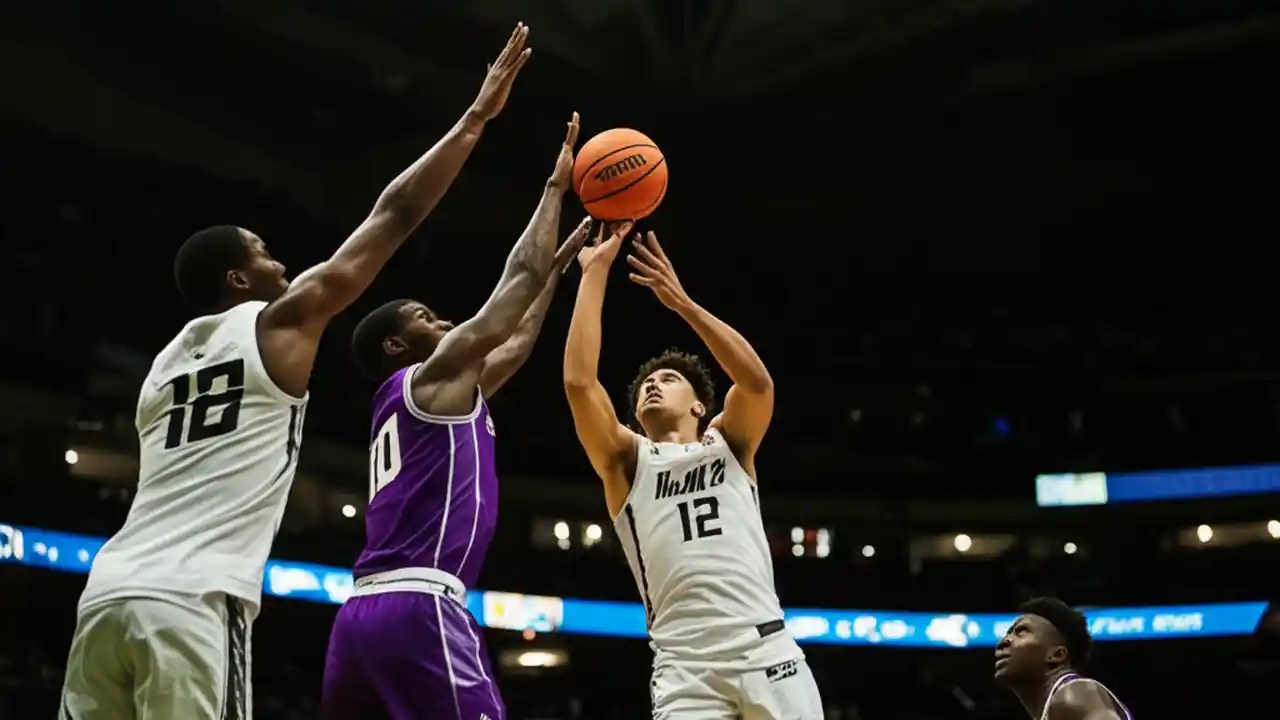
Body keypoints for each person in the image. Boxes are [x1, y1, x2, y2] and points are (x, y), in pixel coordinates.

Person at [58, 23, 534, 720]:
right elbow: (395, 213)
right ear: (237, 278)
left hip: (104, 597)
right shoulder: (277, 326)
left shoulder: (159, 367)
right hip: (193, 600)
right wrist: (474, 118)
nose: (281, 264)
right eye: (263, 253)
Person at [319, 111, 588, 720]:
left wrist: (557, 267)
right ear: (395, 344)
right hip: (419, 605)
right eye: (422, 315)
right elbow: (510, 292)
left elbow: (514, 343)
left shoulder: (415, 401)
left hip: (359, 616)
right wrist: (554, 191)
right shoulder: (432, 377)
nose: (440, 321)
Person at [561, 226, 825, 719]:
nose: (653, 386)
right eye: (644, 385)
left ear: (701, 405)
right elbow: (579, 382)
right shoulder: (626, 460)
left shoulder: (730, 443)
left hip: (765, 647)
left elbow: (757, 383)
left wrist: (682, 303)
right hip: (684, 664)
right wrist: (594, 273)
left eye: (669, 379)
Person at [995, 597, 1133, 720]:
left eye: (1022, 632)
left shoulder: (1074, 692)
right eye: (1008, 633)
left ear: (1057, 655)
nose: (1003, 641)